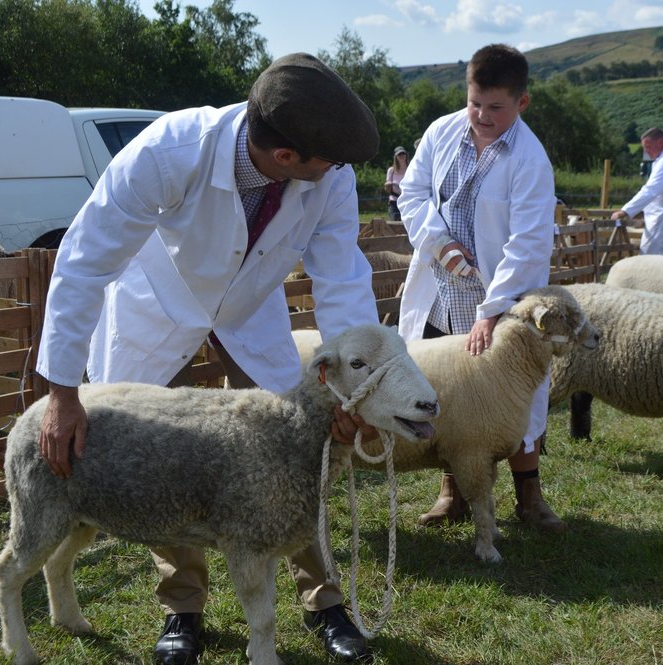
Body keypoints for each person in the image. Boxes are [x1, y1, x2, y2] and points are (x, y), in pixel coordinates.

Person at [34, 53, 382, 665]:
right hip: (159, 305)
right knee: (165, 452)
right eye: (327, 162)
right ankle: (183, 607)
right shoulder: (168, 151)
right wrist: (63, 391)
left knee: (298, 446)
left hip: (250, 308)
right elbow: (84, 260)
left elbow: (341, 279)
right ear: (285, 156)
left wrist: (358, 388)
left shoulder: (330, 174)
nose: (337, 171)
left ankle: (324, 600)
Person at [396, 44, 564, 533]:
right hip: (440, 288)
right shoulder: (441, 132)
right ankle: (453, 492)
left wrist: (492, 311)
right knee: (446, 391)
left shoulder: (530, 160)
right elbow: (413, 192)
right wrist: (438, 242)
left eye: (496, 107)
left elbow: (527, 242)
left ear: (521, 102)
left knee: (514, 392)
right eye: (475, 103)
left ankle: (529, 495)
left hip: (500, 295)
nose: (483, 116)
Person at [611, 128, 663, 256]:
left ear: (660, 142)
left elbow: (650, 190)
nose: (646, 151)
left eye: (648, 147)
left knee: (655, 263)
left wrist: (625, 211)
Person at [384, 146, 408, 221]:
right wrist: (391, 184)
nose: (402, 156)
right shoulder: (391, 170)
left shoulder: (411, 169)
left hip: (407, 201)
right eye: (399, 154)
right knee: (395, 222)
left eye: (403, 153)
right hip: (394, 201)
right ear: (396, 157)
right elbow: (387, 186)